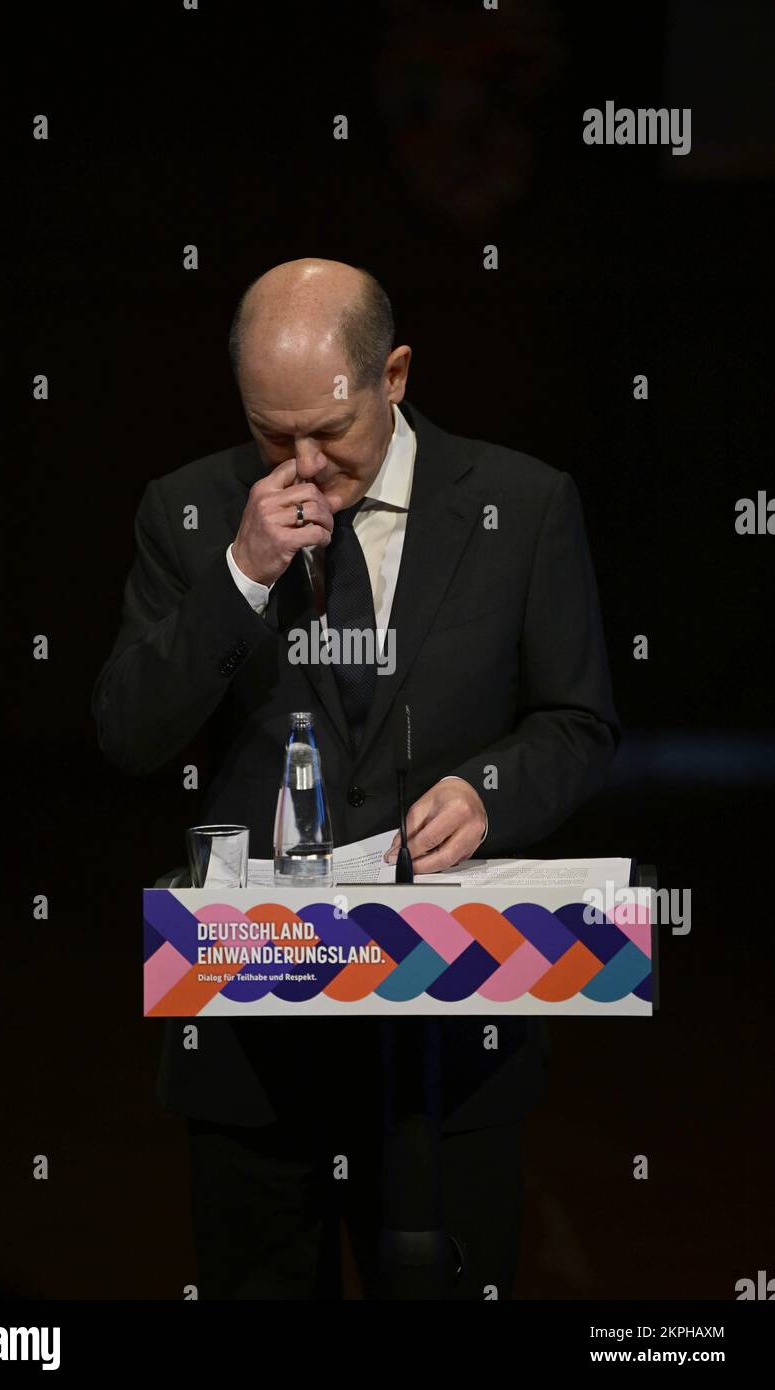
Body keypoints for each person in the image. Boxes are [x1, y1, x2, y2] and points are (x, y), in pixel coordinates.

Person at [91, 258, 620, 1299]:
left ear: (394, 374)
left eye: (326, 435)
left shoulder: (522, 502)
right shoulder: (189, 513)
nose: (299, 465)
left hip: (448, 1040)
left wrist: (487, 792)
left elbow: (577, 721)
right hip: (252, 1047)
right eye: (267, 431)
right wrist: (239, 574)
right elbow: (127, 732)